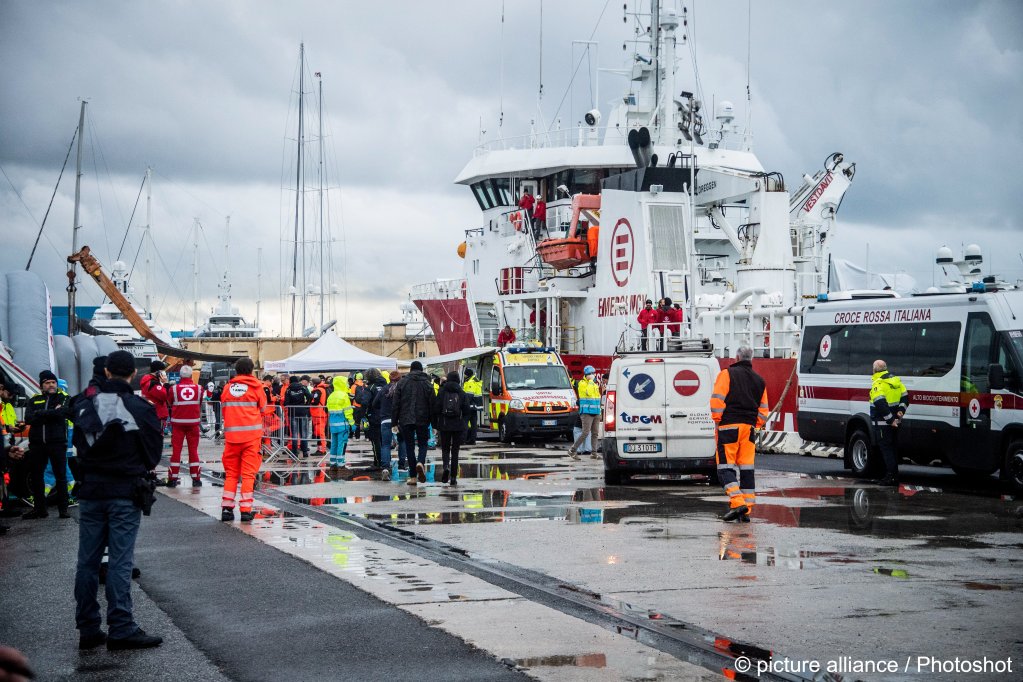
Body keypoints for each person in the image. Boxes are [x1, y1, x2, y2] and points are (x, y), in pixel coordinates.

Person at [69, 350, 163, 650]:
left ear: (106, 371)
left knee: (87, 562)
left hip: (91, 490)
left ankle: (87, 628)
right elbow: (153, 454)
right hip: (124, 490)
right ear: (132, 374)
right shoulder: (139, 407)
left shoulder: (83, 403)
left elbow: (78, 443)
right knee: (120, 562)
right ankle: (121, 627)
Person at [710, 346, 769, 523]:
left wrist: (718, 420)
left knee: (725, 469)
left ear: (736, 357)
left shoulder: (727, 374)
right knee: (746, 470)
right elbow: (764, 411)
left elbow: (717, 401)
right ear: (751, 359)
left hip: (729, 427)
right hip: (749, 429)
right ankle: (746, 511)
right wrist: (754, 424)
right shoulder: (760, 381)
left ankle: (738, 502)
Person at [219, 358, 268, 522]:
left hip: (232, 438)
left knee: (231, 475)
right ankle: (246, 511)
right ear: (251, 370)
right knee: (248, 476)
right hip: (252, 438)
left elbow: (224, 410)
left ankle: (227, 509)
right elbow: (263, 409)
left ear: (236, 370)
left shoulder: (227, 388)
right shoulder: (257, 387)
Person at [23, 370, 70, 519]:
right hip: (37, 444)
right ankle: (40, 509)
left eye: (53, 382)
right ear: (41, 385)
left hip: (57, 443)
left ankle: (63, 510)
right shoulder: (34, 399)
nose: (51, 385)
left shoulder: (64, 397)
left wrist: (40, 414)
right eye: (47, 383)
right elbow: (29, 418)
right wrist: (49, 413)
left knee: (61, 477)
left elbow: (61, 413)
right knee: (37, 477)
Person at [392, 360, 435, 486]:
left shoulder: (402, 383)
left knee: (409, 446)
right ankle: (420, 462)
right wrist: (434, 424)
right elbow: (433, 404)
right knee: (422, 444)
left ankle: (413, 477)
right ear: (421, 370)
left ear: (410, 369)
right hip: (423, 419)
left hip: (405, 420)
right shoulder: (428, 384)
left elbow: (396, 404)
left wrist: (394, 422)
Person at [870, 359, 909, 486]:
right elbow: (905, 397)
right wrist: (901, 410)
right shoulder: (896, 380)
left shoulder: (878, 383)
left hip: (883, 424)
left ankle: (890, 476)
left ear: (874, 370)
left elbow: (880, 404)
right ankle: (894, 476)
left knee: (886, 450)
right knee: (893, 449)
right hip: (896, 422)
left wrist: (890, 420)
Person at [165, 365, 203, 488]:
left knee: (176, 451)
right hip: (193, 424)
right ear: (191, 375)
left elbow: (170, 402)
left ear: (180, 376)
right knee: (193, 451)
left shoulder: (174, 389)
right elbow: (199, 402)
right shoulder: (199, 388)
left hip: (178, 424)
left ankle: (173, 479)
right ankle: (196, 479)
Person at [434, 371, 470, 485]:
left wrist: (437, 423)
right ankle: (453, 477)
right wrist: (464, 424)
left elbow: (437, 408)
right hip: (458, 425)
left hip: (444, 424)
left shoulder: (442, 391)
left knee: (445, 449)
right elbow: (467, 411)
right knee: (455, 451)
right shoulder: (461, 392)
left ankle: (446, 467)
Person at [372, 370, 401, 479]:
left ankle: (385, 467)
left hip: (385, 420)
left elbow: (374, 403)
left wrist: (383, 409)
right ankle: (402, 465)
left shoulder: (384, 389)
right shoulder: (401, 389)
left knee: (385, 444)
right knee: (402, 442)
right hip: (398, 421)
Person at [568, 366, 601, 460]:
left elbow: (597, 398)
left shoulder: (595, 384)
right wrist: (590, 381)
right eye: (591, 374)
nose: (593, 375)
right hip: (586, 412)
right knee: (585, 433)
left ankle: (594, 453)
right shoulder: (582, 384)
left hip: (596, 412)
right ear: (586, 375)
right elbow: (588, 393)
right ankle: (572, 450)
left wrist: (600, 411)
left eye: (593, 373)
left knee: (595, 433)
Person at [362, 369, 388, 472]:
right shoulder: (386, 386)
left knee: (376, 441)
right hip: (386, 416)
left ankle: (378, 463)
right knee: (385, 442)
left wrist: (363, 414)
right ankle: (386, 462)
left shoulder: (371, 388)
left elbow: (364, 402)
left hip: (374, 417)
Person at [326, 375, 354, 469]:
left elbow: (328, 409)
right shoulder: (344, 395)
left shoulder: (331, 395)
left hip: (333, 425)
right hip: (343, 424)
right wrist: (352, 423)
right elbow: (348, 411)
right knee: (341, 444)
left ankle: (332, 463)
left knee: (334, 444)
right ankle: (341, 463)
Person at [283, 375, 311, 457]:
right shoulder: (303, 388)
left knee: (294, 433)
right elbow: (310, 396)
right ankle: (305, 452)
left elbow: (286, 403)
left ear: (290, 381)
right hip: (302, 411)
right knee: (304, 433)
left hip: (293, 412)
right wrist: (306, 405)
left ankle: (295, 452)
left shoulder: (288, 390)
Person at [139, 360, 170, 434]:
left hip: (153, 414)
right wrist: (166, 383)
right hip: (157, 415)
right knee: (157, 437)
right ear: (158, 372)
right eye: (163, 371)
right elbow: (165, 396)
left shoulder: (150, 381)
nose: (164, 373)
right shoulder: (153, 384)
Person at [462, 368, 482, 445]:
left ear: (467, 374)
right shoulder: (475, 381)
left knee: (465, 423)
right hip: (474, 406)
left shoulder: (470, 382)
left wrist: (463, 404)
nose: (464, 376)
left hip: (469, 406)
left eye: (465, 374)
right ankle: (472, 439)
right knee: (473, 424)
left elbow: (469, 395)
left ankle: (463, 439)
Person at [310, 376, 329, 455]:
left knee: (320, 433)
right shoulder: (323, 389)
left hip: (319, 413)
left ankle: (322, 450)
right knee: (318, 432)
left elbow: (315, 402)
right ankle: (320, 449)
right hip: (320, 413)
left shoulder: (318, 390)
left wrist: (309, 401)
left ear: (314, 383)